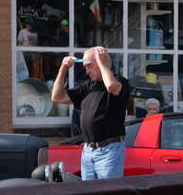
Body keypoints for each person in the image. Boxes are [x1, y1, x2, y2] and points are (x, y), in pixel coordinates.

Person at [51, 46, 131, 180]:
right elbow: (56, 97)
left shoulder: (120, 81)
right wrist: (63, 69)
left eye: (89, 66)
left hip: (109, 150)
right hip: (88, 150)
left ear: (101, 62)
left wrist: (102, 62)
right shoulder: (88, 86)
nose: (86, 71)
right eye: (85, 67)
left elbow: (112, 87)